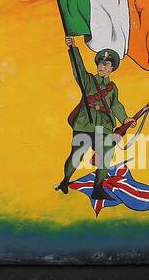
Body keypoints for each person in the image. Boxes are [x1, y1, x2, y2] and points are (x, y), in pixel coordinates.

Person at [55, 38, 135, 201]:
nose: (102, 67)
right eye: (100, 63)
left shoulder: (112, 88)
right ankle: (65, 182)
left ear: (112, 68)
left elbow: (116, 106)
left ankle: (97, 189)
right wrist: (73, 49)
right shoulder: (88, 81)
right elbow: (79, 69)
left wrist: (125, 119)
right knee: (76, 155)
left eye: (106, 64)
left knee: (106, 156)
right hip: (85, 124)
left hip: (104, 127)